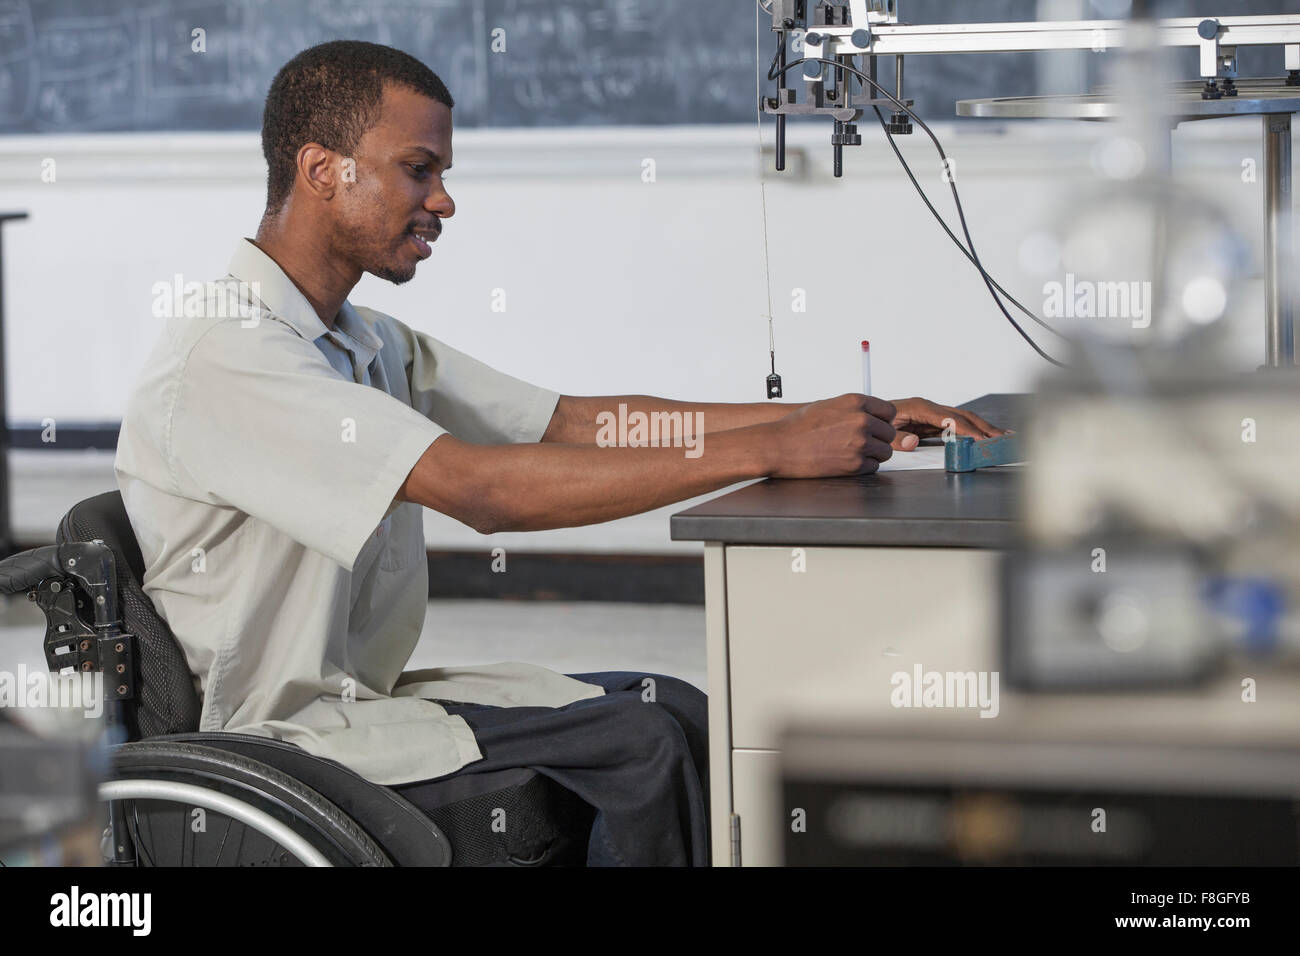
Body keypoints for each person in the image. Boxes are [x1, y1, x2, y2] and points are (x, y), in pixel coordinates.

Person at [114, 40, 1005, 866]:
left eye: (443, 174)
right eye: (418, 171)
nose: (445, 200)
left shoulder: (358, 337)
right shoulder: (230, 357)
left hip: (355, 708)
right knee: (640, 750)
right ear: (319, 169)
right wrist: (777, 446)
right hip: (278, 747)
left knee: (677, 708)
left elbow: (572, 424)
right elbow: (483, 491)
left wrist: (834, 418)